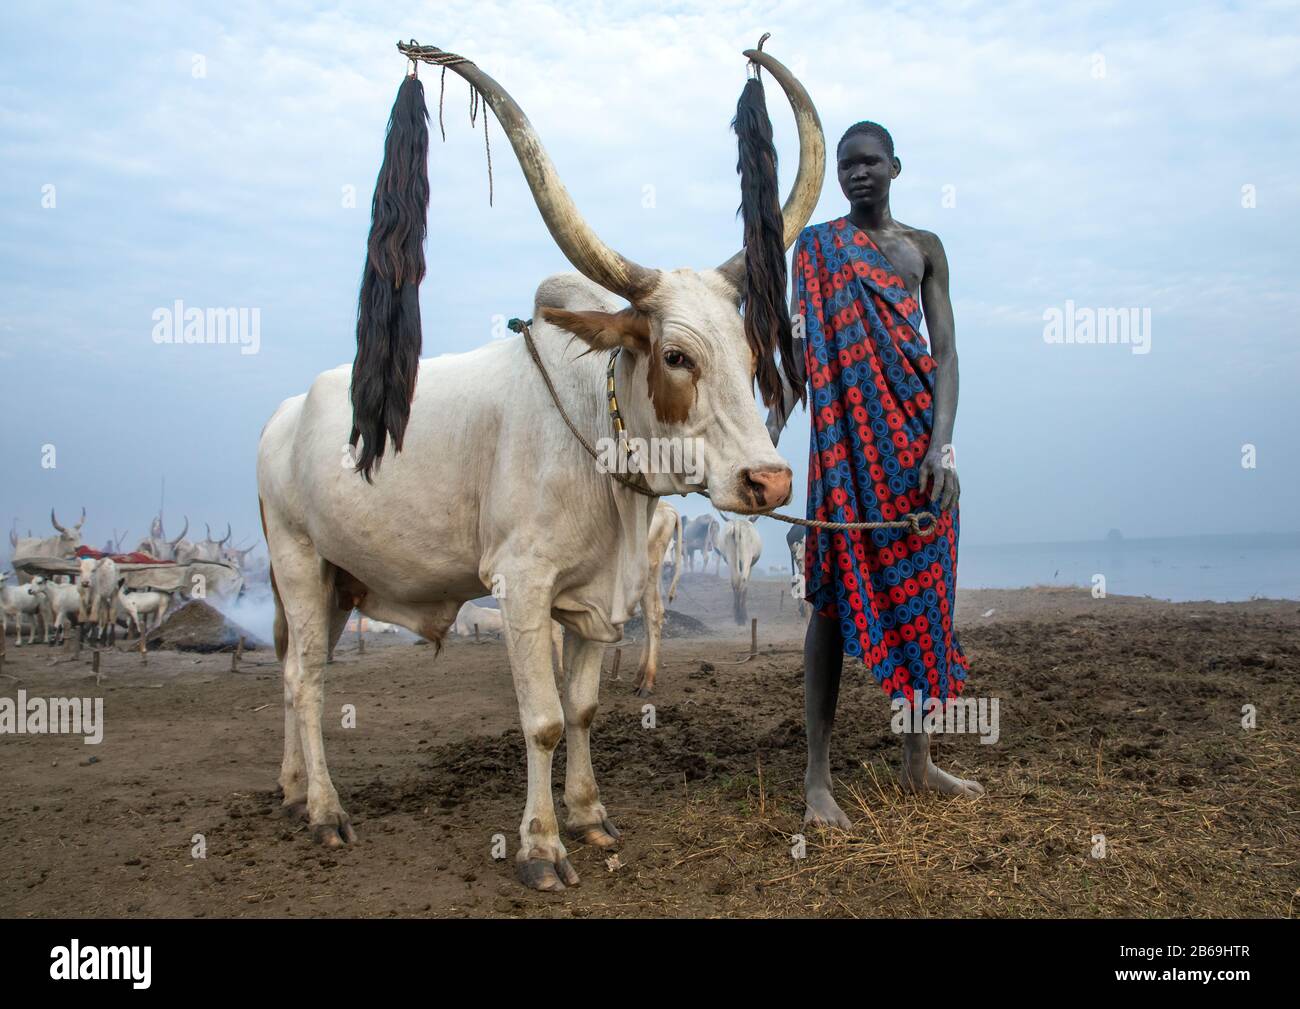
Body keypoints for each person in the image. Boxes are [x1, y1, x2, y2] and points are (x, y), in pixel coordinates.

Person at [767, 121, 983, 829]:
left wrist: (940, 449)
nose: (859, 173)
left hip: (919, 456)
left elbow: (945, 356)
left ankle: (917, 759)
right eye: (848, 166)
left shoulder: (924, 250)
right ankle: (817, 777)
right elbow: (803, 347)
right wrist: (770, 423)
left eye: (871, 162)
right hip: (845, 458)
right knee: (828, 603)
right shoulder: (819, 248)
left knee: (926, 603)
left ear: (895, 166)